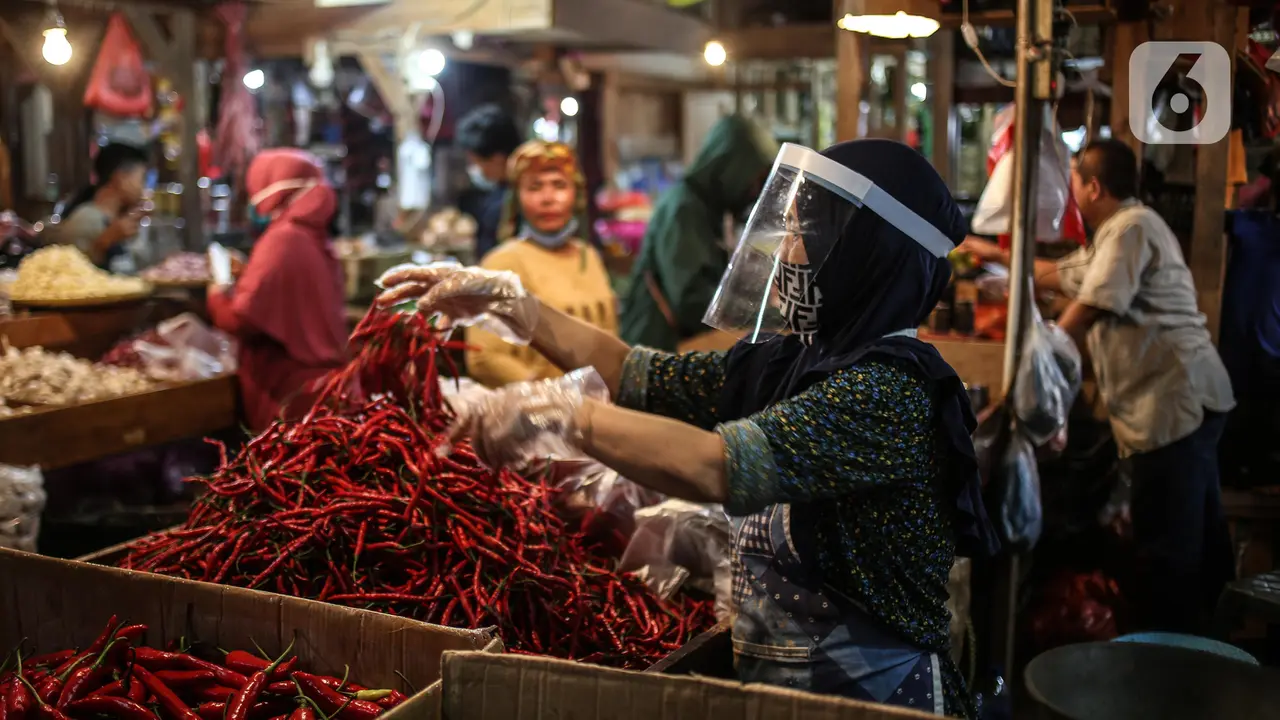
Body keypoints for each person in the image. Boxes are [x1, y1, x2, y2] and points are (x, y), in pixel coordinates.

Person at [380, 139, 999, 718]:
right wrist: (510, 304)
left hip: (878, 702)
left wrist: (568, 415)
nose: (783, 253)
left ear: (869, 253)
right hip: (790, 691)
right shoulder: (793, 360)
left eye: (805, 235)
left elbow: (718, 465)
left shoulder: (886, 391)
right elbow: (635, 373)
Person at [961, 138, 1236, 634]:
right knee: (1200, 533)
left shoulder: (1132, 227)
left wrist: (1039, 360)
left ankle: (1173, 667)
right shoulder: (1118, 233)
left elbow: (1091, 305)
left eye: (1074, 184)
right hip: (1182, 402)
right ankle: (1215, 643)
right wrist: (988, 254)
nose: (1071, 194)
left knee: (1169, 548)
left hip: (1174, 405)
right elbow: (1066, 275)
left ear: (1092, 186)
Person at [207, 149, 347, 432]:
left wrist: (217, 291)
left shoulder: (282, 239)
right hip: (322, 390)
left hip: (290, 396)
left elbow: (239, 318)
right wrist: (249, 273)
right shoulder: (311, 235)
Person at [466, 139, 617, 388]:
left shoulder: (588, 255)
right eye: (534, 187)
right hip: (538, 413)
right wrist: (551, 394)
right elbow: (483, 356)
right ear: (517, 199)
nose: (548, 198)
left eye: (559, 185)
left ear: (576, 194)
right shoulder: (502, 262)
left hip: (603, 407)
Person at [620, 115, 777, 352]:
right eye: (755, 180)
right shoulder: (683, 209)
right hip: (657, 353)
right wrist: (770, 317)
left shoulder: (706, 210)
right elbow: (693, 303)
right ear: (730, 168)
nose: (755, 191)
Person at [48, 142, 149, 268]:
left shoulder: (118, 219)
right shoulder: (86, 219)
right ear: (121, 178)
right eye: (142, 178)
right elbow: (70, 272)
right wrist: (105, 241)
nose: (143, 188)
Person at [456, 104, 523, 259]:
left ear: (498, 159)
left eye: (476, 162)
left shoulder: (509, 203)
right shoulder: (499, 194)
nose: (474, 169)